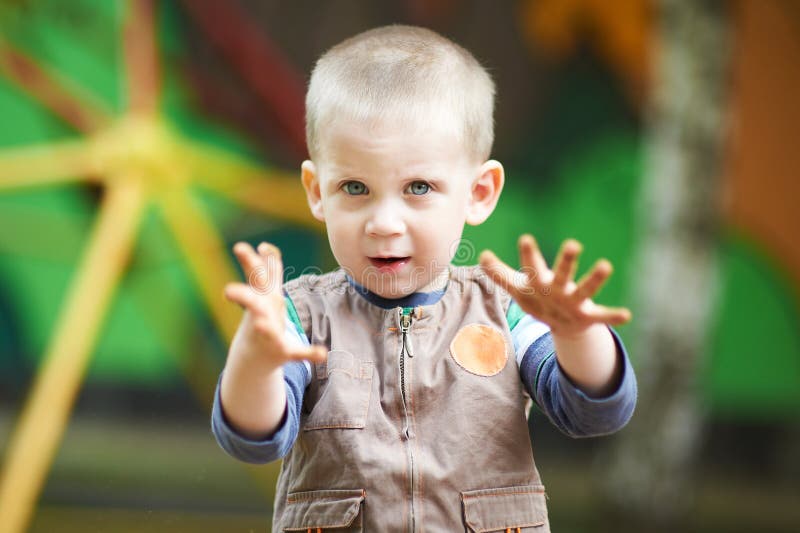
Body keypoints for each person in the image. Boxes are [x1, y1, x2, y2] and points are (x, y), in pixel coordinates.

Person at [212, 24, 636, 532]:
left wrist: (577, 335)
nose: (385, 222)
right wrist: (255, 364)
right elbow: (252, 439)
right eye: (354, 186)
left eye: (418, 187)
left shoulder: (509, 309)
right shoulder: (297, 321)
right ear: (316, 190)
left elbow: (591, 414)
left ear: (479, 192)